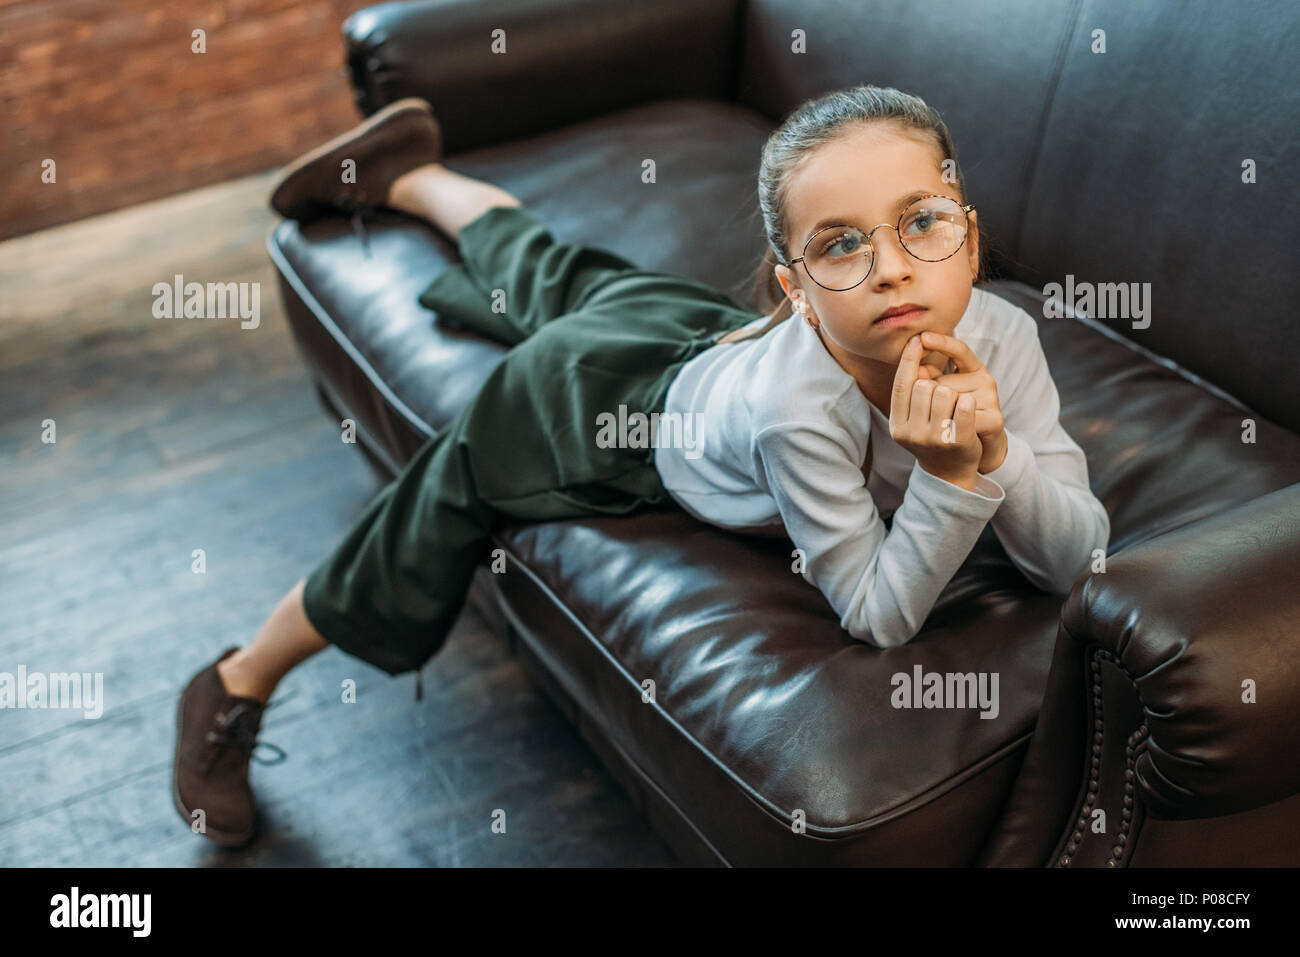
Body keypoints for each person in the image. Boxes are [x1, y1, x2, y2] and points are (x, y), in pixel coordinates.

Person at [173, 86, 1110, 847]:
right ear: (798, 289)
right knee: (434, 506)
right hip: (598, 405)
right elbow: (876, 614)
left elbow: (1081, 560)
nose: (894, 269)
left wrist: (1002, 454)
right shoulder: (800, 410)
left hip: (693, 332)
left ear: (971, 238)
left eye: (922, 224)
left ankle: (409, 175)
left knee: (548, 271)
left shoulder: (1003, 336)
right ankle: (238, 678)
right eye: (841, 245)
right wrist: (952, 479)